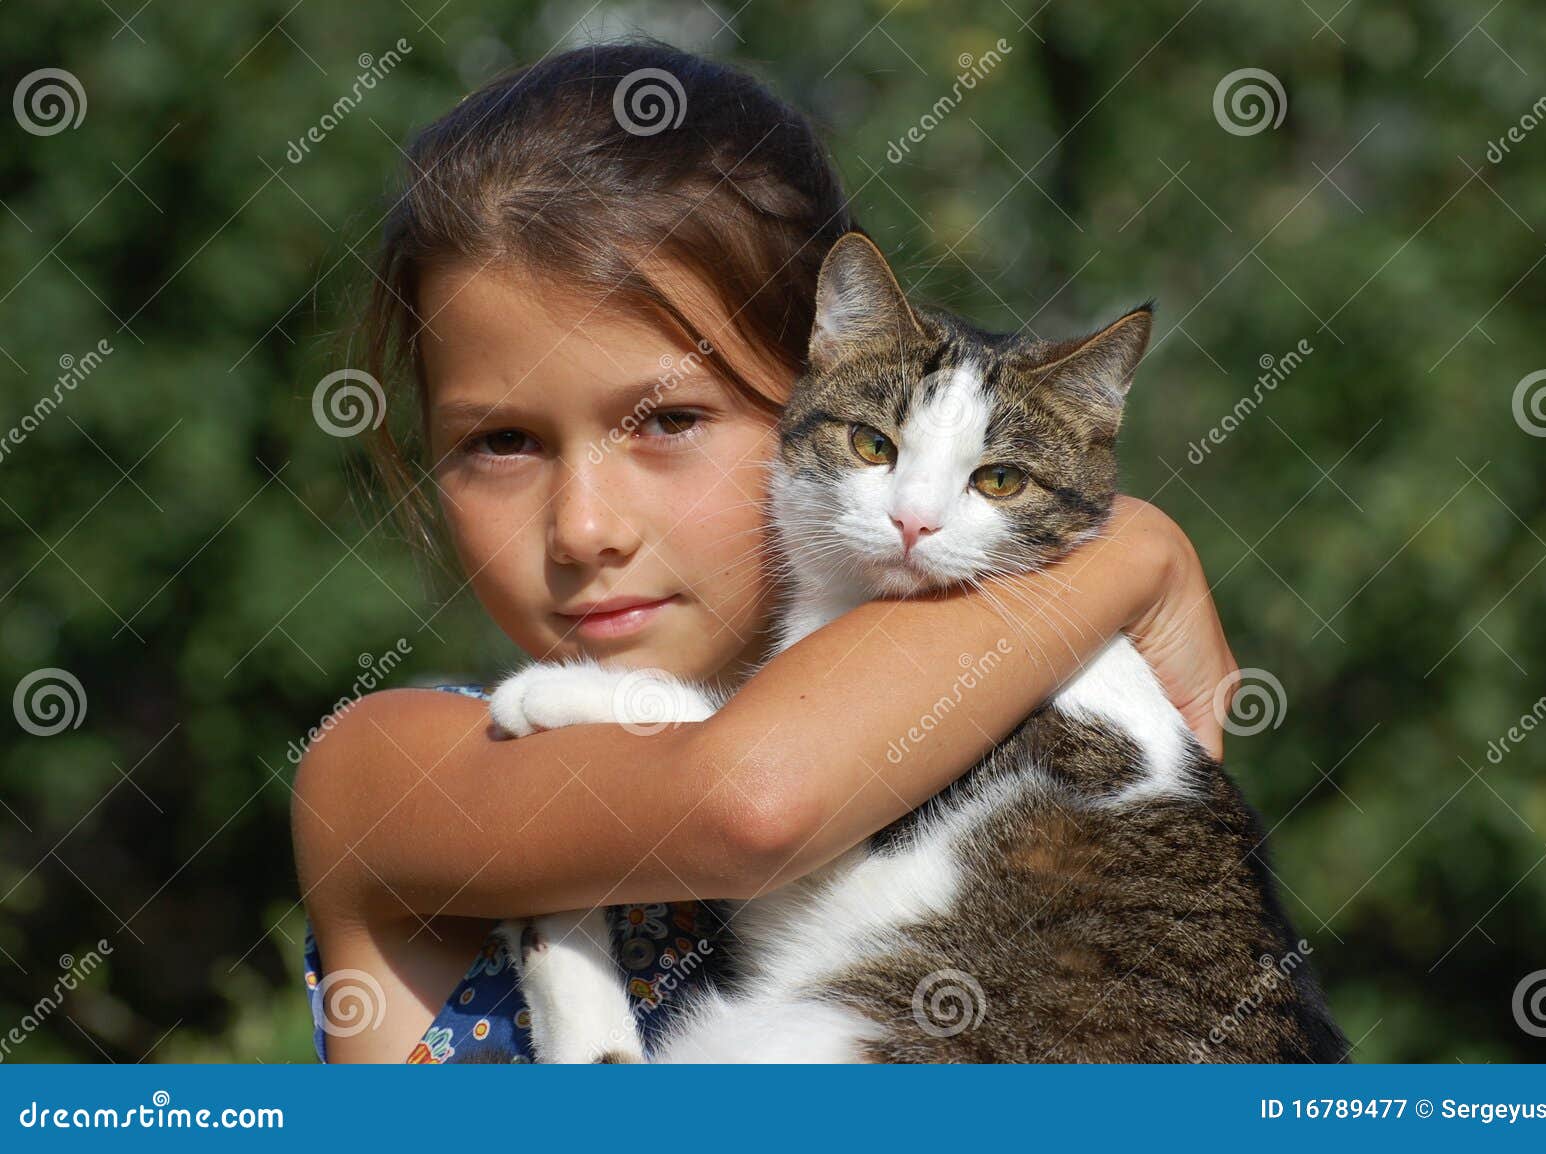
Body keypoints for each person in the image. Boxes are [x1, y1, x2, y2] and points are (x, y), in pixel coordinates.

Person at [291, 40, 1238, 1063]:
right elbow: (752, 802)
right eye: (502, 441)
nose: (582, 528)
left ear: (817, 382)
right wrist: (1135, 550)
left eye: (665, 422)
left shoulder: (1005, 702)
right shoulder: (386, 770)